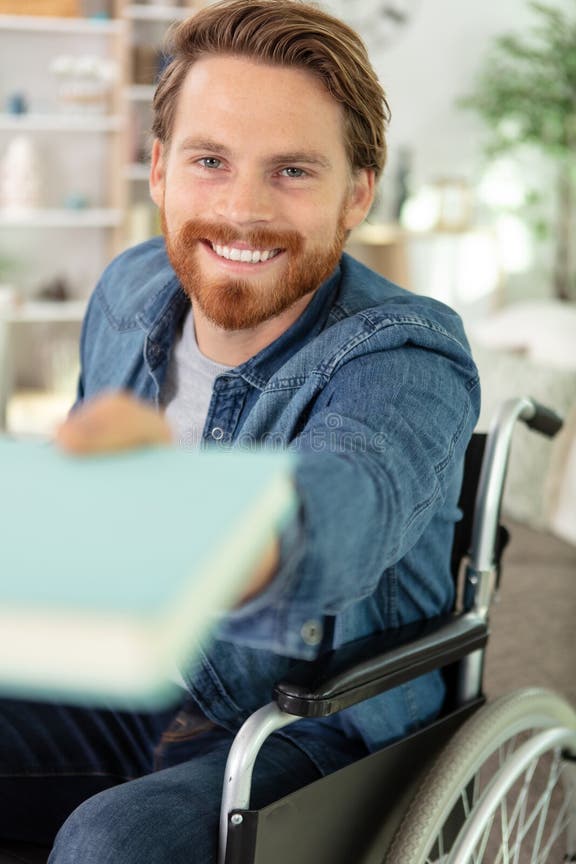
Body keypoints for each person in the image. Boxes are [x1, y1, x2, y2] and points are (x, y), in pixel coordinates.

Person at [0, 1, 480, 861]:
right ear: (158, 168)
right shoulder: (127, 291)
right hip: (143, 679)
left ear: (356, 193)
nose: (242, 209)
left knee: (113, 843)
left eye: (292, 170)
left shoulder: (406, 355)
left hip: (314, 724)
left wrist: (191, 510)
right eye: (210, 160)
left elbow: (348, 504)